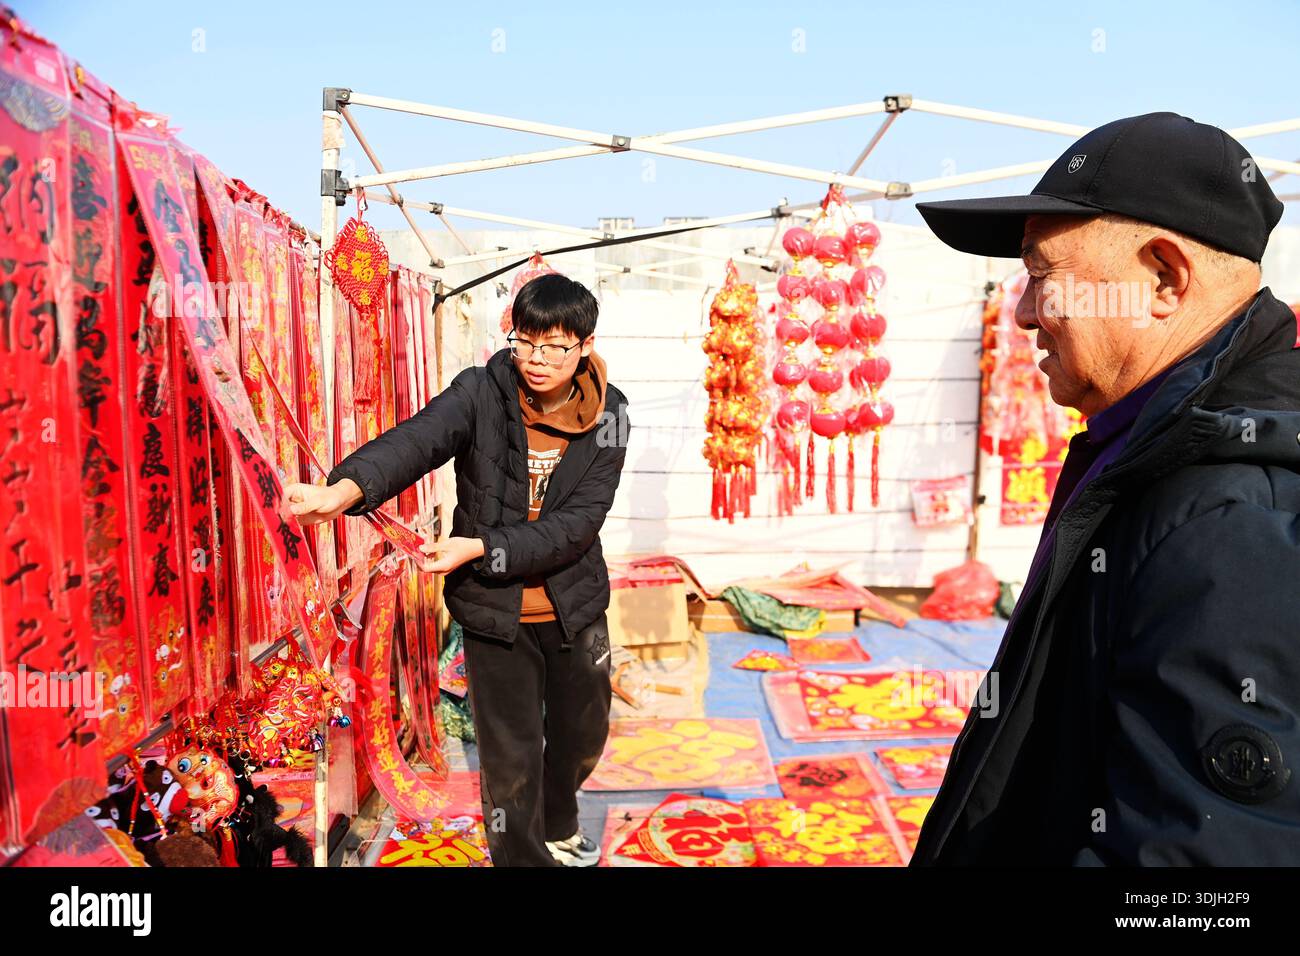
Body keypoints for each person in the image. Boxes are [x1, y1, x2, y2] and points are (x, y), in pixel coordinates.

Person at [911, 112, 1299, 864]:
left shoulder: (1234, 514)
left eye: (1042, 275)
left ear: (1163, 278)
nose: (1024, 313)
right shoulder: (1159, 447)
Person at [283, 273, 630, 867]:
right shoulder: (480, 391)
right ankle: (521, 857)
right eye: (525, 341)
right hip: (494, 608)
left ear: (585, 345)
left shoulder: (613, 412)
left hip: (576, 601)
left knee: (583, 731)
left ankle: (560, 816)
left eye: (553, 346)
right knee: (510, 754)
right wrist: (344, 491)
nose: (536, 359)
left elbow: (579, 523)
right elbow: (415, 440)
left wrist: (477, 547)